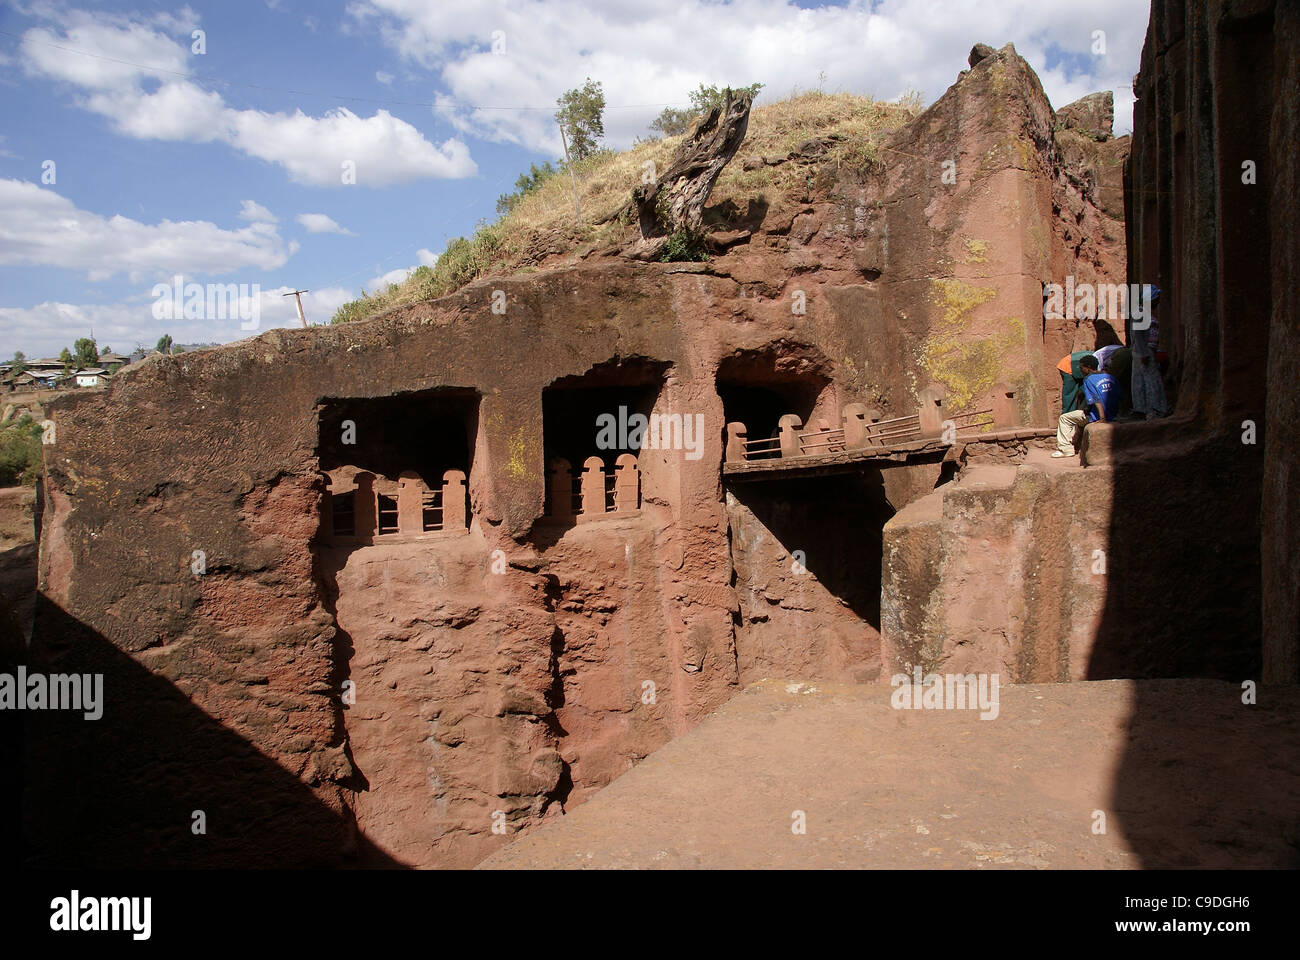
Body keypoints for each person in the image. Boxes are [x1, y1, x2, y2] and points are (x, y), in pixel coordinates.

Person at [1053, 355, 1118, 458]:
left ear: (1088, 368)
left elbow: (1095, 400)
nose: (1080, 370)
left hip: (1097, 416)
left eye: (1081, 367)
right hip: (1114, 414)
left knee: (1064, 418)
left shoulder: (1089, 380)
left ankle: (1065, 449)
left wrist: (1102, 418)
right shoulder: (1110, 377)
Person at [1132, 285, 1169, 419]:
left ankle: (1143, 409)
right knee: (1152, 380)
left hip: (1145, 351)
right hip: (1145, 351)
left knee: (1142, 380)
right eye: (1156, 299)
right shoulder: (1141, 313)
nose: (1158, 302)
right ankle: (1156, 409)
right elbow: (1138, 335)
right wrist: (1144, 353)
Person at [1057, 349, 1098, 415]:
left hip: (1079, 367)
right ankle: (1067, 416)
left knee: (1088, 391)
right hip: (1068, 366)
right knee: (1070, 395)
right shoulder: (1101, 360)